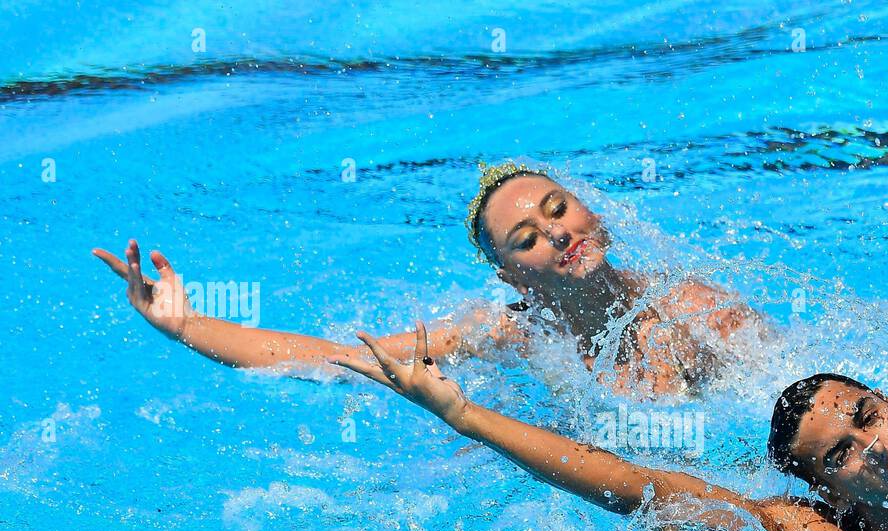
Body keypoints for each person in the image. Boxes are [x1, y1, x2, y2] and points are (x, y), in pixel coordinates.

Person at [327, 325, 888, 531]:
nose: (869, 449)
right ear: (828, 493)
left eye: (866, 420)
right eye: (838, 457)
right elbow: (637, 488)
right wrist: (466, 417)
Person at [91, 161, 761, 395]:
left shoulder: (692, 309)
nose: (557, 233)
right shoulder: (512, 333)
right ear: (515, 279)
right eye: (527, 238)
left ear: (592, 214)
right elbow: (340, 360)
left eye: (558, 210)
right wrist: (185, 325)